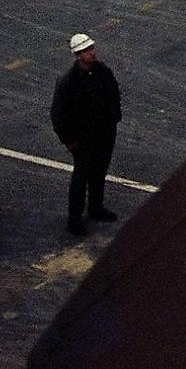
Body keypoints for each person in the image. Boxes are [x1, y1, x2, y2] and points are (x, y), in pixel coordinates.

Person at [52, 32, 122, 237]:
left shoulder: (103, 72)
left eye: (92, 49)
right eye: (87, 51)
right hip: (82, 140)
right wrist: (69, 141)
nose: (92, 53)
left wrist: (114, 118)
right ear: (78, 55)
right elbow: (58, 114)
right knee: (80, 179)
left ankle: (95, 207)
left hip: (104, 134)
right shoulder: (67, 82)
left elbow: (114, 93)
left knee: (99, 173)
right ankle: (74, 219)